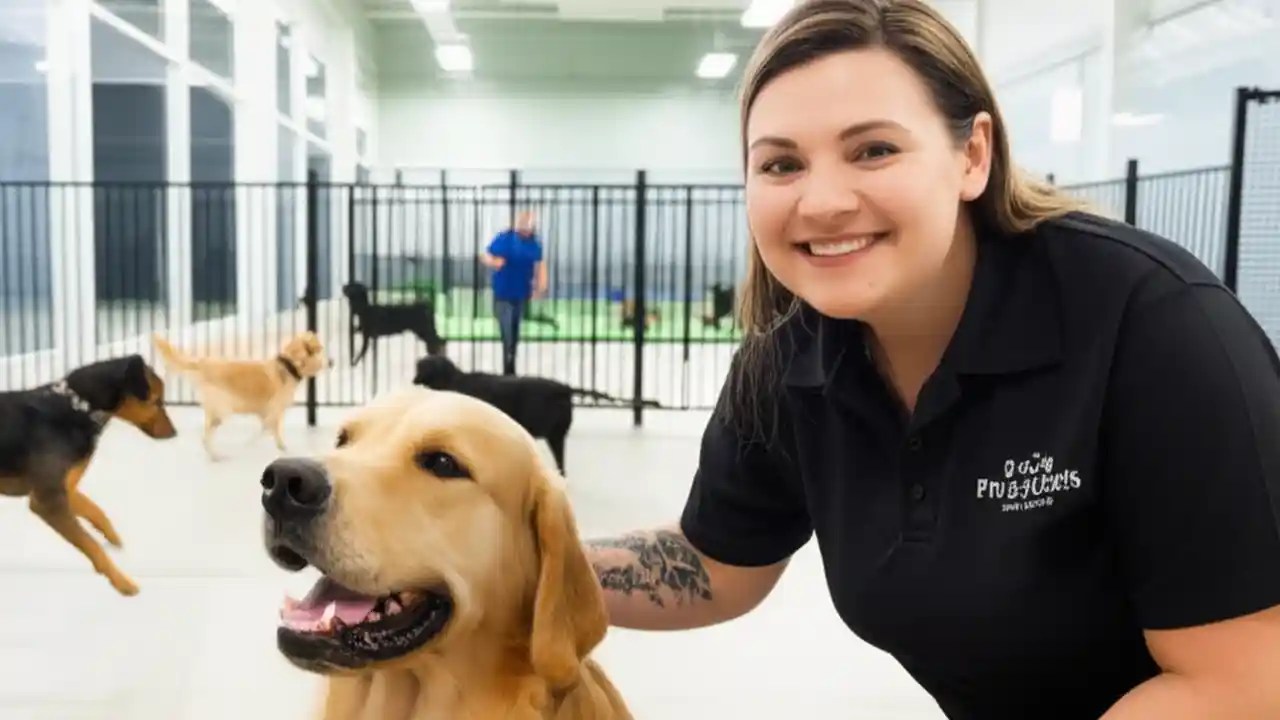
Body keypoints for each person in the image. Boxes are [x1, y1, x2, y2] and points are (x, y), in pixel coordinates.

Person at [584, 1, 1280, 718]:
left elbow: (1240, 686)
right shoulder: (790, 356)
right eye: (782, 163)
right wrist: (516, 556)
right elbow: (714, 565)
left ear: (973, 154)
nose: (822, 201)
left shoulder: (1151, 325)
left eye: (873, 150)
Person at [481, 209, 548, 375]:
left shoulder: (534, 244)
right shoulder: (505, 238)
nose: (526, 225)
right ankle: (508, 367)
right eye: (523, 222)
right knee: (507, 333)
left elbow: (539, 265)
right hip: (503, 293)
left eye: (529, 222)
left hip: (521, 293)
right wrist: (494, 261)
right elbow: (485, 255)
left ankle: (510, 367)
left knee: (515, 332)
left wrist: (541, 286)